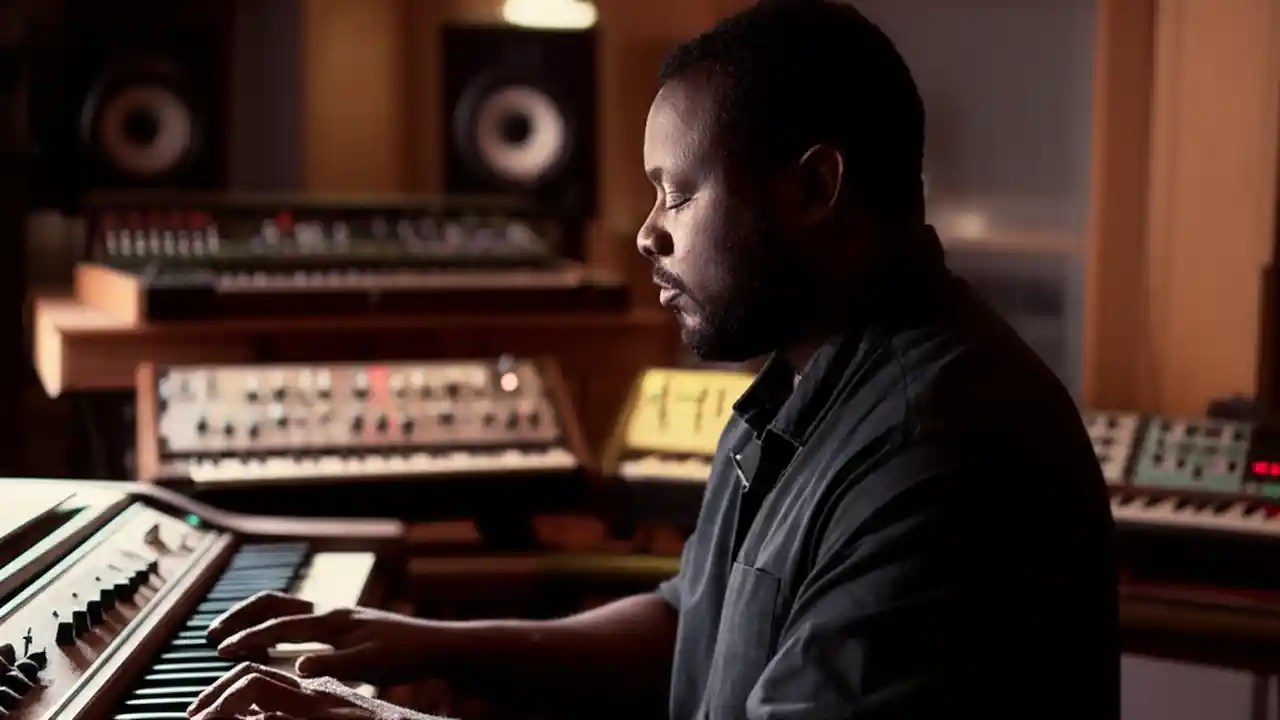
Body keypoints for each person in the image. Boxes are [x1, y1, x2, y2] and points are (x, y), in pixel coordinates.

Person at [185, 1, 1120, 718]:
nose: (645, 236)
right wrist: (433, 644)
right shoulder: (810, 383)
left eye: (675, 194)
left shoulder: (941, 455)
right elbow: (691, 626)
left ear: (813, 189)